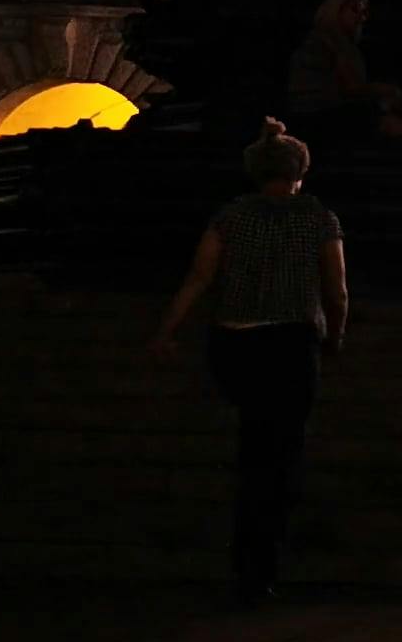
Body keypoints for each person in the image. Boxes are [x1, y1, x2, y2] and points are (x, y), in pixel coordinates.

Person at [149, 120, 348, 601]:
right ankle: (264, 562)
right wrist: (335, 337)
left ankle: (248, 558)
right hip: (291, 344)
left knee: (254, 446)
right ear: (300, 171)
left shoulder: (231, 217)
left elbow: (199, 278)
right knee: (281, 452)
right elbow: (336, 290)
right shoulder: (319, 218)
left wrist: (166, 329)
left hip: (235, 342)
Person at [285, 0, 402, 149]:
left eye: (364, 12)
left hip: (327, 112)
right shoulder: (326, 43)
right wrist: (386, 91)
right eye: (355, 11)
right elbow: (351, 88)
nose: (362, 18)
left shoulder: (341, 43)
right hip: (318, 116)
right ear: (336, 11)